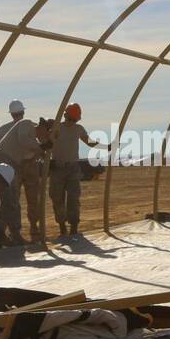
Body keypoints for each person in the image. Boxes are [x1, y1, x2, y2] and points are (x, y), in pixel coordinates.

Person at [49, 102, 109, 238]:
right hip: (57, 168)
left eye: (74, 120)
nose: (71, 122)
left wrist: (106, 147)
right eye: (70, 119)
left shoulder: (78, 129)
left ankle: (74, 227)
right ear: (65, 116)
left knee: (73, 199)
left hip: (73, 168)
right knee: (57, 198)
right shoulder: (57, 128)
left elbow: (89, 142)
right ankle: (62, 227)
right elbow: (47, 141)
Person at [0, 99, 43, 244]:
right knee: (14, 199)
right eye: (17, 114)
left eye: (17, 114)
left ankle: (29, 229)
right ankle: (21, 231)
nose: (18, 117)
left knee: (21, 198)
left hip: (26, 165)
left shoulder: (20, 127)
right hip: (17, 165)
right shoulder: (29, 125)